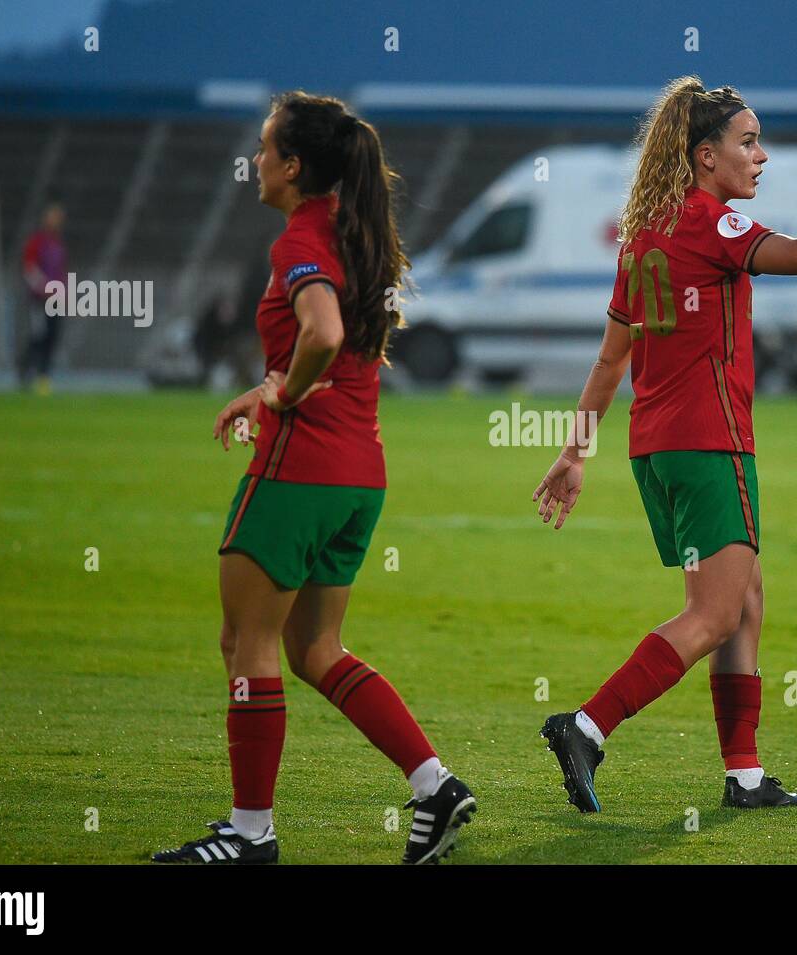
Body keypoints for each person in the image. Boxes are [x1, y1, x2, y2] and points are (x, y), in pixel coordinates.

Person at [532, 76, 797, 814]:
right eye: (747, 142)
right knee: (714, 614)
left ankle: (745, 775)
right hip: (710, 440)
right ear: (703, 157)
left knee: (744, 598)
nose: (761, 157)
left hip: (655, 449)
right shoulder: (711, 223)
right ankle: (587, 726)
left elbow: (609, 359)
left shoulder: (645, 230)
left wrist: (574, 450)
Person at [153, 91, 475, 865]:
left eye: (266, 148)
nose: (257, 161)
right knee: (316, 648)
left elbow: (322, 331)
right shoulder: (356, 232)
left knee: (247, 640)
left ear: (294, 167)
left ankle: (250, 832)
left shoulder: (301, 236)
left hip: (299, 468)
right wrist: (273, 383)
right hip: (360, 471)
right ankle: (434, 783)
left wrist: (280, 393)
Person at [19, 201, 67, 393]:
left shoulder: (58, 244)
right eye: (53, 217)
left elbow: (60, 272)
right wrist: (44, 288)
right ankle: (25, 370)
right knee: (38, 335)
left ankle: (43, 376)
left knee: (52, 337)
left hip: (56, 300)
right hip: (40, 300)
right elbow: (30, 269)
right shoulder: (37, 242)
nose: (56, 222)